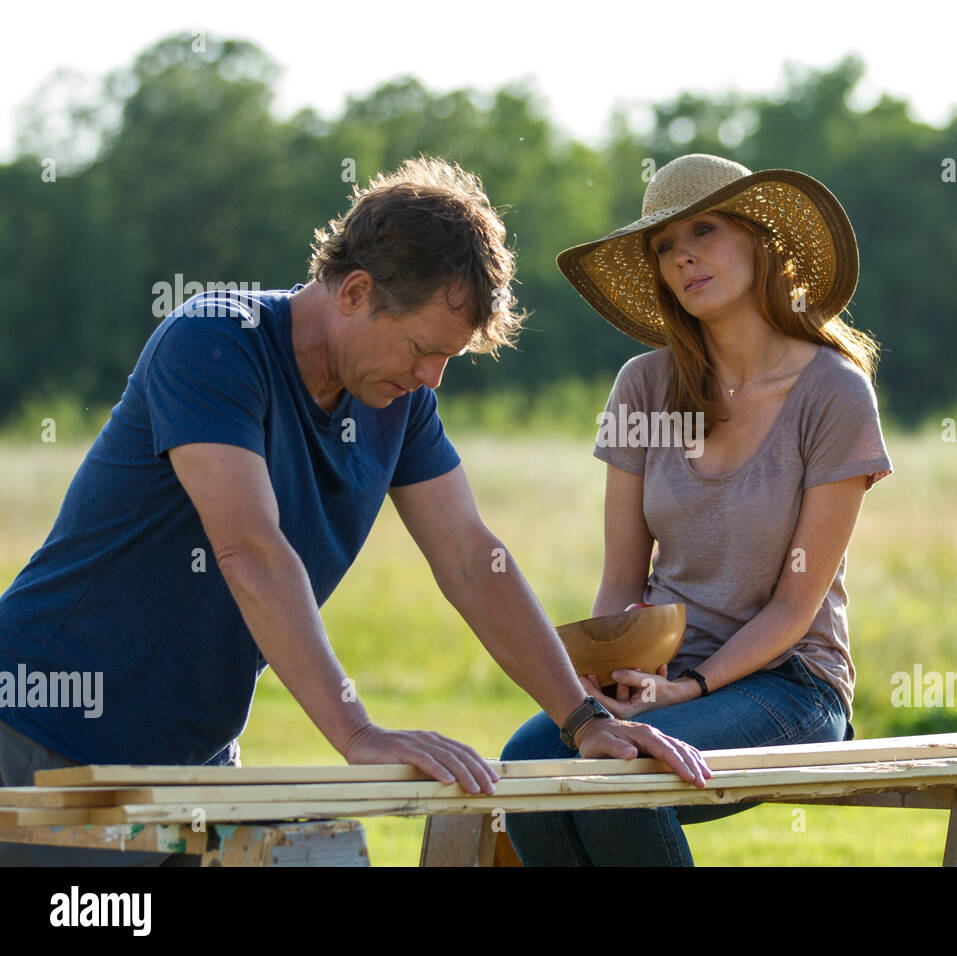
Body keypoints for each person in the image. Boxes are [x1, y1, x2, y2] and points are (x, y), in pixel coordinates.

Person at [0, 156, 709, 866]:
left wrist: (582, 719)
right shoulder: (214, 341)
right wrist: (358, 733)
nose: (432, 378)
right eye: (424, 349)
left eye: (448, 359)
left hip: (195, 762)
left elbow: (470, 555)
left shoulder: (398, 402)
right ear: (357, 292)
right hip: (40, 740)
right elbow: (250, 550)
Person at [501, 153, 894, 865]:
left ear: (759, 241)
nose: (684, 258)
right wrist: (601, 684)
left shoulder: (833, 395)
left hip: (788, 685)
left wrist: (684, 689)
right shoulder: (644, 387)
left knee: (622, 778)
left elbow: (795, 606)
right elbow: (623, 576)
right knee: (526, 768)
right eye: (665, 247)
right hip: (656, 674)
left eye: (703, 232)